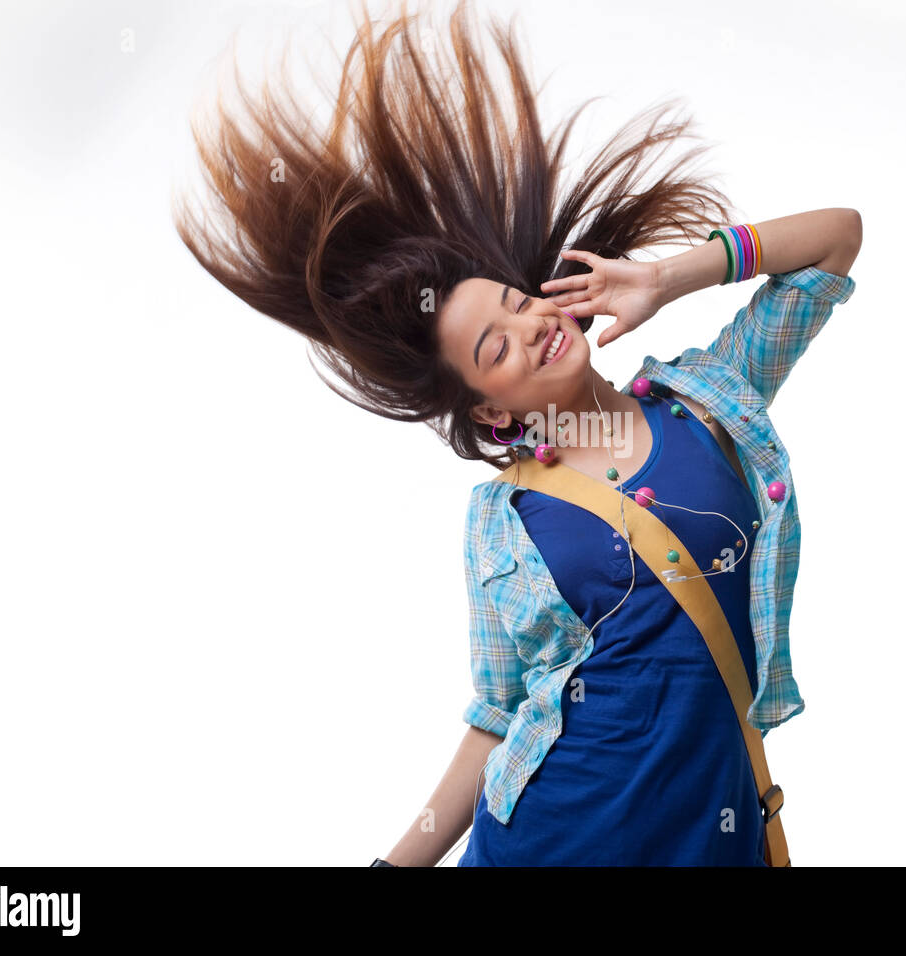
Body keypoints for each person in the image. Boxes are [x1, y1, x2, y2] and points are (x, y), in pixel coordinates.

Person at [172, 0, 861, 866]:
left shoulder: (714, 399)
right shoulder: (502, 524)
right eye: (497, 345)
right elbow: (498, 717)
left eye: (517, 301)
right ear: (492, 411)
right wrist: (394, 863)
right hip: (547, 840)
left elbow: (838, 239)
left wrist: (665, 277)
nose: (531, 323)